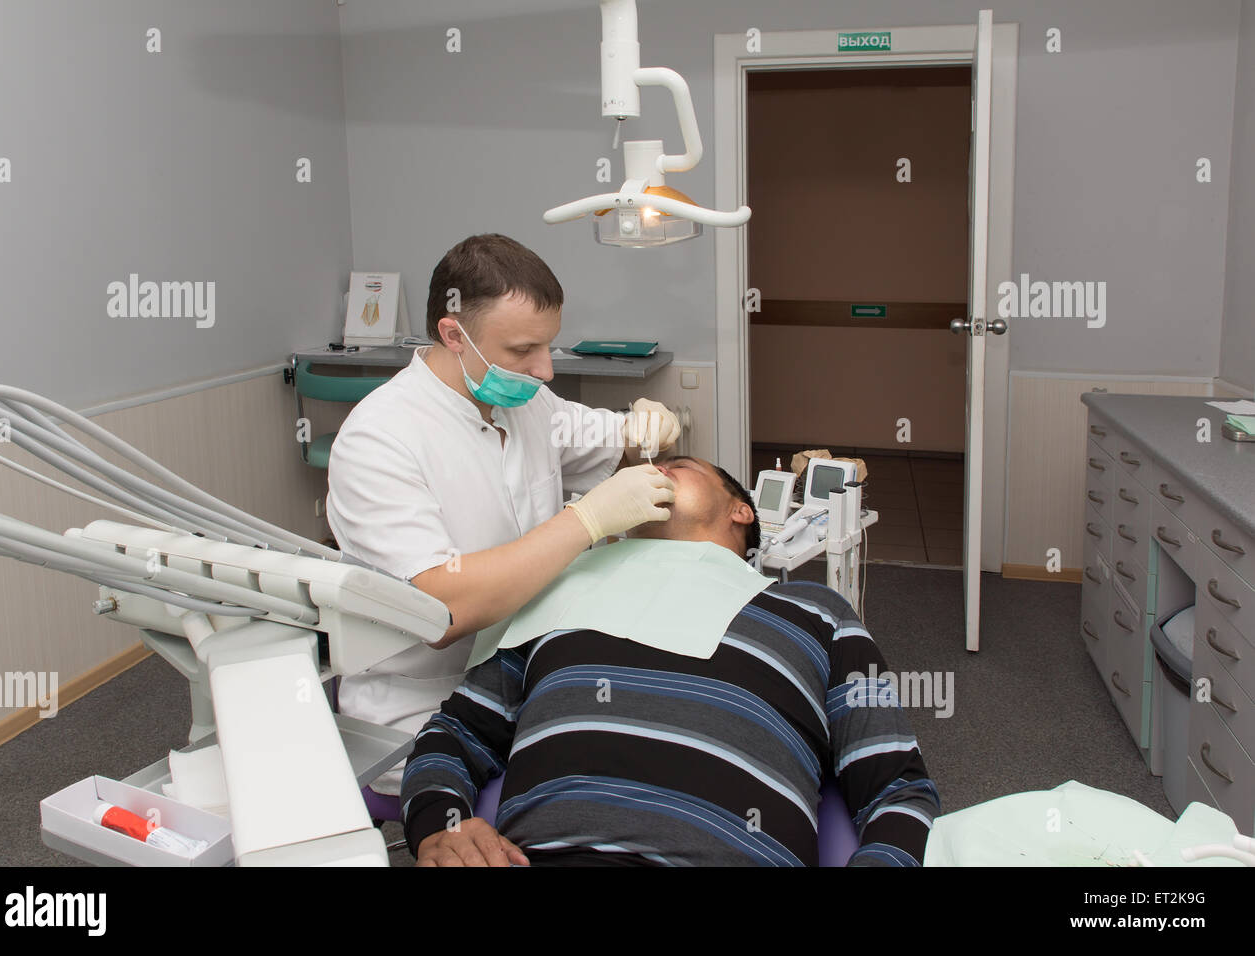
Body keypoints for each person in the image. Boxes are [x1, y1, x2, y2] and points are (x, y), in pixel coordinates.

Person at [401, 456, 941, 866]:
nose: (657, 471)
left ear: (741, 510)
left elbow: (897, 786)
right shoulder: (556, 592)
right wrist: (438, 823)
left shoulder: (814, 612)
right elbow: (455, 734)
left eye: (680, 467)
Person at [325, 234, 684, 794]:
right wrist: (585, 522)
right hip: (425, 706)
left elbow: (616, 441)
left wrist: (646, 427)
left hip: (529, 676)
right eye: (522, 351)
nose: (544, 370)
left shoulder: (525, 402)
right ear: (454, 334)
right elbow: (442, 609)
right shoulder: (379, 439)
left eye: (549, 346)